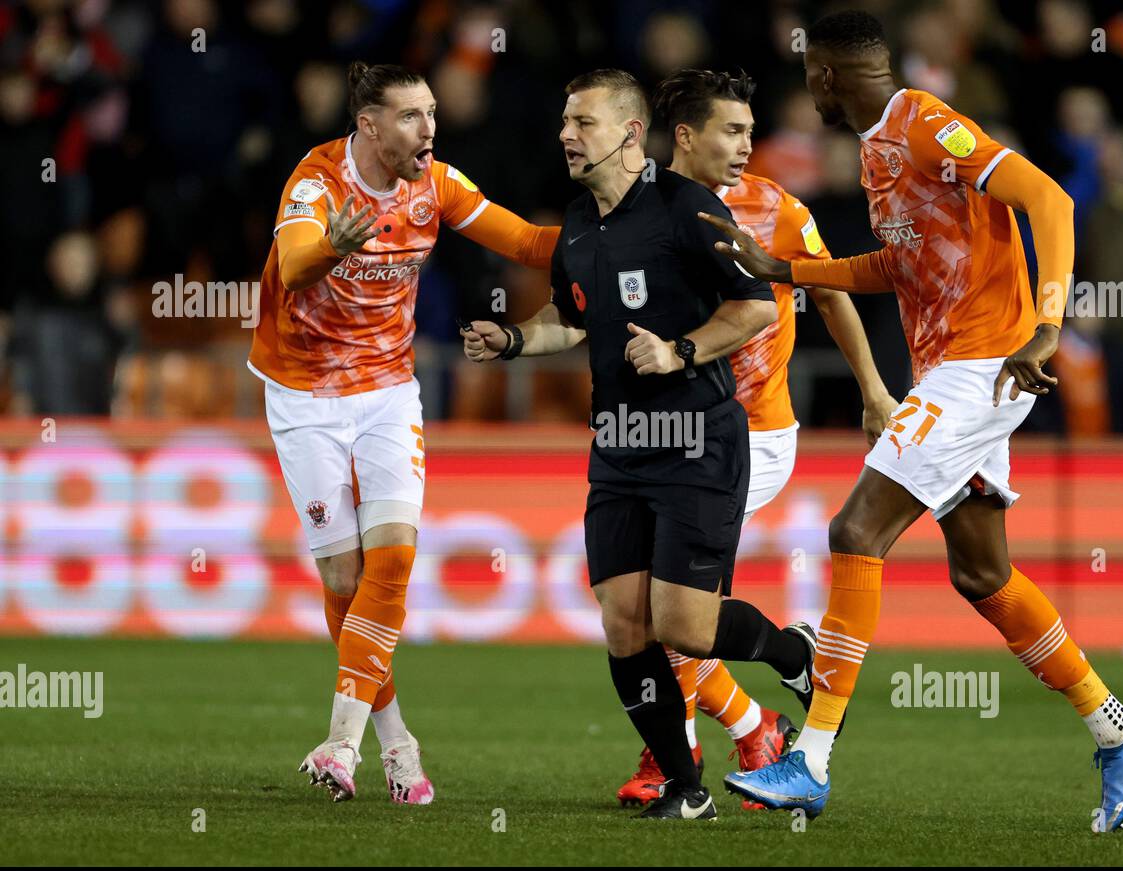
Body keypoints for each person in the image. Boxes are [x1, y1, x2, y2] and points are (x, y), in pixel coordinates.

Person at [703, 11, 1123, 831]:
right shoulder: (882, 149)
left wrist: (1050, 323)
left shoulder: (925, 122)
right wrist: (787, 269)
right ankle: (1116, 726)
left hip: (986, 366)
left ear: (823, 77)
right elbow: (899, 263)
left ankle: (808, 760)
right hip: (957, 369)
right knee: (982, 573)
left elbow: (1048, 198)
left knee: (854, 532)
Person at [460, 69, 815, 820]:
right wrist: (516, 338)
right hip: (619, 446)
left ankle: (792, 655)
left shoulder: (688, 209)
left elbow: (753, 308)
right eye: (564, 120)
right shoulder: (581, 223)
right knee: (624, 622)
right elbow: (573, 315)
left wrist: (680, 352)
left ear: (629, 132)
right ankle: (687, 789)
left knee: (685, 626)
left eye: (581, 121)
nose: (566, 134)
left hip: (698, 441)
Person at [250, 62, 559, 804]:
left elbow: (523, 242)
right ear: (369, 126)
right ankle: (399, 745)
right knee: (344, 582)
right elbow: (294, 265)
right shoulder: (316, 182)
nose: (430, 128)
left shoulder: (439, 185)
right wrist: (334, 246)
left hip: (388, 391)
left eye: (431, 112)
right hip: (305, 395)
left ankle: (341, 744)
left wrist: (621, 233)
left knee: (391, 564)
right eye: (412, 116)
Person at [605, 67, 899, 809]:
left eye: (748, 131)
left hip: (750, 437)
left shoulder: (776, 210)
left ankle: (673, 762)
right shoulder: (631, 208)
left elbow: (830, 291)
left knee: (671, 613)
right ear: (684, 136)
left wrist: (873, 392)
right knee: (659, 615)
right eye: (733, 132)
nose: (747, 147)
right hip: (658, 433)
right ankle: (757, 723)